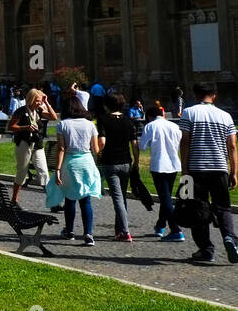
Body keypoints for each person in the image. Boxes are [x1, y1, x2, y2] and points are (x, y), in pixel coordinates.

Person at [178, 82, 238, 264]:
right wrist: (234, 172)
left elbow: (185, 143)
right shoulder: (225, 116)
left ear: (196, 94)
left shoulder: (189, 113)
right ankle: (230, 238)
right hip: (219, 168)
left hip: (196, 169)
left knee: (198, 210)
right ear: (214, 95)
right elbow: (232, 146)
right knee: (223, 207)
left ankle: (206, 249)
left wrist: (184, 169)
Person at [45, 101, 101, 246]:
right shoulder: (90, 124)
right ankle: (88, 234)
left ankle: (69, 231)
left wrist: (57, 169)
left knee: (70, 198)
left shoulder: (63, 125)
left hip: (70, 163)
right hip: (86, 161)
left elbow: (61, 149)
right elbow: (96, 149)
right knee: (85, 199)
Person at [137, 102, 185, 241]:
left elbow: (143, 146)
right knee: (166, 197)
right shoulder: (175, 126)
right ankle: (160, 225)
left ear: (150, 116)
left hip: (159, 165)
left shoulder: (150, 126)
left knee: (165, 198)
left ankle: (176, 229)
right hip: (174, 165)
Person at [97, 92, 137, 241]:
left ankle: (125, 231)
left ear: (106, 105)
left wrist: (98, 154)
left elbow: (101, 141)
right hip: (126, 161)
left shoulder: (103, 119)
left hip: (111, 162)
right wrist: (136, 162)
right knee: (122, 197)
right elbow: (134, 144)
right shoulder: (128, 121)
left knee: (118, 198)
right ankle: (119, 229)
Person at [8, 88, 57, 204]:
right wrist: (25, 128)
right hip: (24, 144)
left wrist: (46, 103)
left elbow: (54, 117)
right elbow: (11, 127)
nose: (39, 103)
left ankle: (53, 201)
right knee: (22, 171)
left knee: (44, 172)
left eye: (40, 101)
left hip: (37, 145)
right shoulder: (20, 111)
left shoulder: (39, 111)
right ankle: (14, 199)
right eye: (37, 101)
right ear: (31, 100)